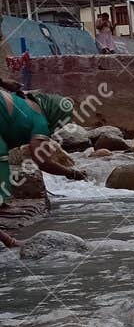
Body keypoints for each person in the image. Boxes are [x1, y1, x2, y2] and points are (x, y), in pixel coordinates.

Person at [0, 79, 89, 251]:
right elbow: (42, 161)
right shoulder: (39, 119)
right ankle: (9, 240)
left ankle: (7, 239)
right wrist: (71, 173)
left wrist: (3, 82)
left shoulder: (24, 103)